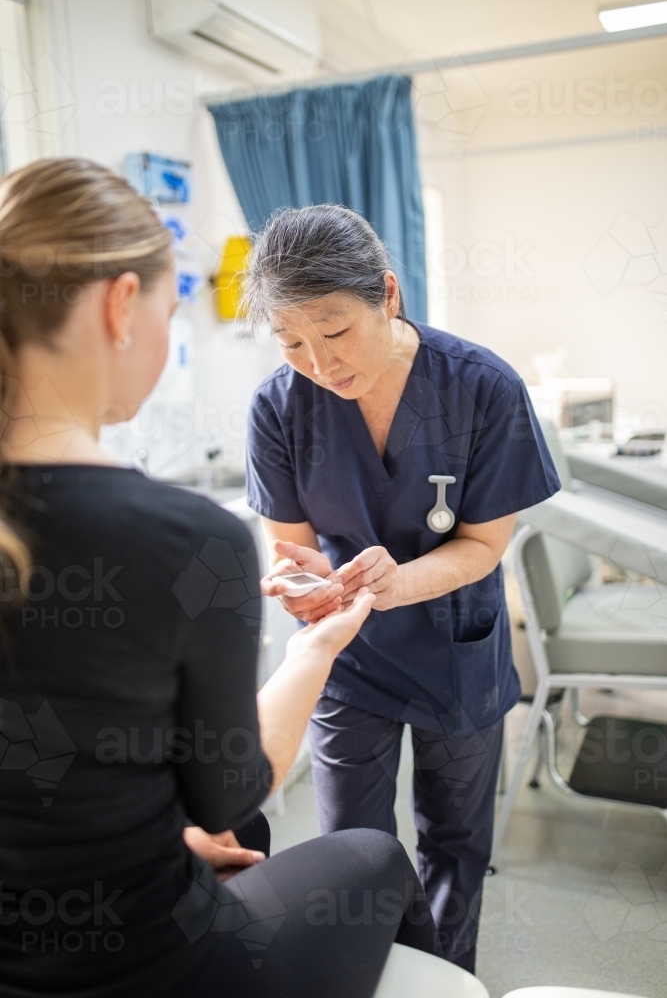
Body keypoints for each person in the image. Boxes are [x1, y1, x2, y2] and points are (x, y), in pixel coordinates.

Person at [0, 159, 442, 998]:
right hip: (151, 968)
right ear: (120, 305)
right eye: (171, 310)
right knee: (373, 856)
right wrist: (315, 650)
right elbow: (227, 791)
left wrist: (160, 845)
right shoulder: (180, 538)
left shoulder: (469, 378)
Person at [245, 204, 561, 972]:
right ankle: (366, 979)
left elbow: (484, 544)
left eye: (335, 331)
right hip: (345, 658)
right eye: (291, 342)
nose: (319, 363)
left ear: (387, 294)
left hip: (455, 644)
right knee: (353, 851)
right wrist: (299, 576)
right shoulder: (278, 408)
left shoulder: (482, 388)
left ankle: (448, 977)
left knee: (454, 843)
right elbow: (289, 545)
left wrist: (393, 582)